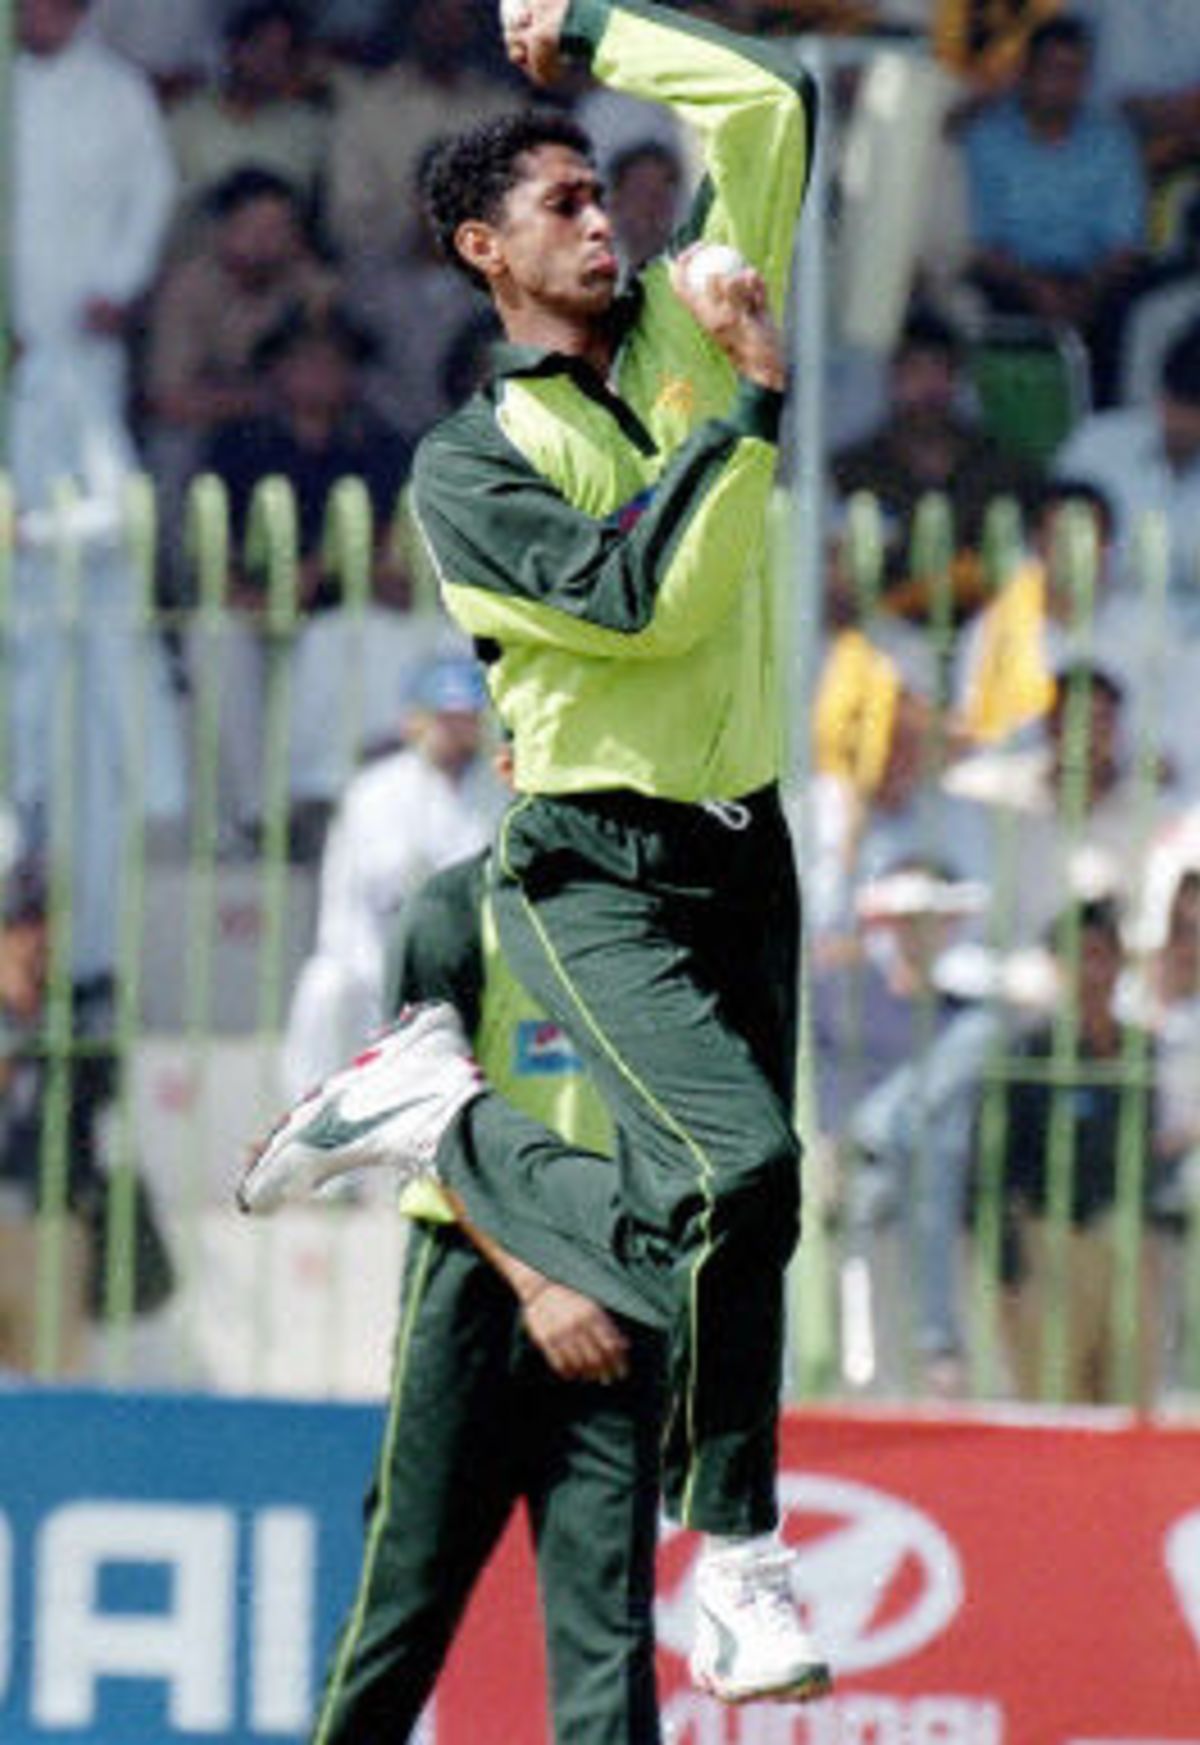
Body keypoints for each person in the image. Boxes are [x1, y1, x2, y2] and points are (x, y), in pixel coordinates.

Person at [247, 0, 831, 1708]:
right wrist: (747, 422)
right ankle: (449, 1122)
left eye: (607, 192)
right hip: (602, 860)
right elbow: (642, 602)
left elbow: (776, 106)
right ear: (480, 251)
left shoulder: (682, 320)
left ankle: (734, 1560)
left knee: (732, 1215)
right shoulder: (470, 462)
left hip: (752, 845)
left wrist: (588, 31)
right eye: (564, 202)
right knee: (749, 1173)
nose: (605, 216)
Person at [290, 850, 666, 1743]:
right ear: (510, 764)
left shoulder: (672, 909)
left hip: (618, 1283)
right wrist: (537, 1280)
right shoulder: (456, 909)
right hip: (476, 1280)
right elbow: (416, 1105)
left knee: (607, 1629)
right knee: (404, 1601)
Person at [281, 657, 505, 1097]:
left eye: (467, 719)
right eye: (445, 719)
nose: (457, 732)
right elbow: (345, 909)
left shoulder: (502, 788)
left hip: (474, 962)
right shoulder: (374, 791)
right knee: (325, 987)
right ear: (414, 721)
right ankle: (312, 1133)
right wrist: (389, 979)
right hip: (377, 960)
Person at [980, 897, 1170, 1406]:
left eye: (1104, 955)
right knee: (1055, 1408)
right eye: (1080, 956)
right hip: (1050, 1242)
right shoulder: (1026, 1054)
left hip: (1123, 1241)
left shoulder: (1141, 1051)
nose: (1094, 972)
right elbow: (993, 1169)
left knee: (1131, 1406)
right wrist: (1008, 1268)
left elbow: (1150, 1152)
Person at [830, 306, 1043, 620]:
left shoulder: (1003, 467)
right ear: (891, 377)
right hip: (881, 632)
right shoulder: (851, 470)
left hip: (986, 629)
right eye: (914, 372)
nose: (928, 388)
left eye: (941, 372)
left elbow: (1028, 560)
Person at [962, 14, 1146, 355]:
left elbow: (1125, 244)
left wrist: (1085, 291)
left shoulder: (1112, 139)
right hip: (1012, 279)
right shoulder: (986, 138)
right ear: (1026, 73)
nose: (1062, 85)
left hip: (1094, 280)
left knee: (1133, 309)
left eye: (1074, 72)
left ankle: (1104, 409)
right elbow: (980, 242)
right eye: (1052, 70)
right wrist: (1035, 288)